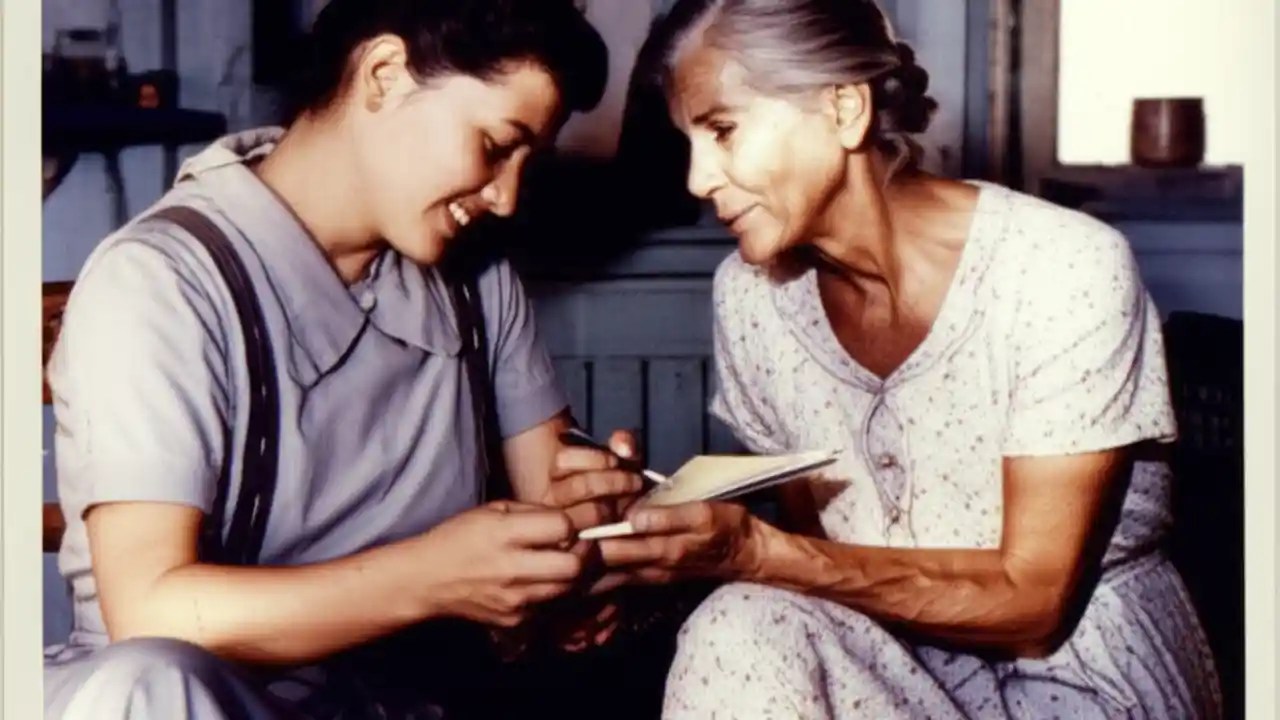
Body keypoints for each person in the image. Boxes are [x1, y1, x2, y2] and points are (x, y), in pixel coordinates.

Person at [590, 0, 1225, 717]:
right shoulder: (753, 297)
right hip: (889, 666)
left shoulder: (1060, 266)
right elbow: (817, 565)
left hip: (1087, 682)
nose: (698, 178)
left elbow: (1036, 604)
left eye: (723, 130)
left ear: (843, 109)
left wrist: (754, 551)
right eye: (690, 142)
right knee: (737, 625)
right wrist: (647, 541)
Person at [42, 1, 646, 717]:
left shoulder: (478, 280)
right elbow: (150, 610)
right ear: (384, 74)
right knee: (146, 685)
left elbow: (550, 507)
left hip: (393, 698)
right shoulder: (162, 281)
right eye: (494, 144)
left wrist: (583, 551)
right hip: (184, 699)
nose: (507, 197)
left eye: (526, 162)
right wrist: (430, 578)